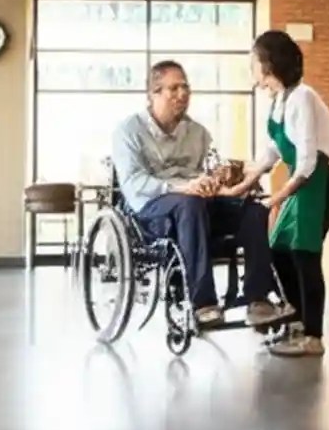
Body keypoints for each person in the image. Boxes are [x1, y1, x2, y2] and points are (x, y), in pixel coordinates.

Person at [110, 60, 282, 329]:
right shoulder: (128, 131)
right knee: (190, 204)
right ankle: (203, 303)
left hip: (197, 206)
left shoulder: (198, 133)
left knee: (254, 210)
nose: (183, 94)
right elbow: (133, 183)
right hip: (151, 210)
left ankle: (257, 297)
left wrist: (221, 181)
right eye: (174, 88)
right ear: (153, 93)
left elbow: (211, 170)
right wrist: (183, 187)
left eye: (186, 87)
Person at [220, 31, 329, 357]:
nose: (252, 70)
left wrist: (276, 198)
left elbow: (305, 162)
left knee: (305, 256)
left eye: (254, 62)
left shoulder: (302, 97)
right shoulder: (279, 102)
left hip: (319, 182)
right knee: (278, 251)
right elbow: (271, 155)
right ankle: (298, 324)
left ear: (268, 64)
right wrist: (239, 187)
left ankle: (313, 337)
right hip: (303, 185)